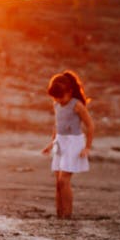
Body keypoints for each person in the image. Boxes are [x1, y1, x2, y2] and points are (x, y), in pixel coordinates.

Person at [41, 71, 95, 219]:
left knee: (64, 181)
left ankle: (68, 215)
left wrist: (87, 147)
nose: (58, 100)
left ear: (70, 91)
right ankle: (59, 214)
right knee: (57, 182)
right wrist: (51, 143)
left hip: (74, 143)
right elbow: (57, 125)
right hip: (60, 142)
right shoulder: (57, 105)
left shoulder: (76, 105)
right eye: (55, 98)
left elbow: (90, 126)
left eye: (61, 97)